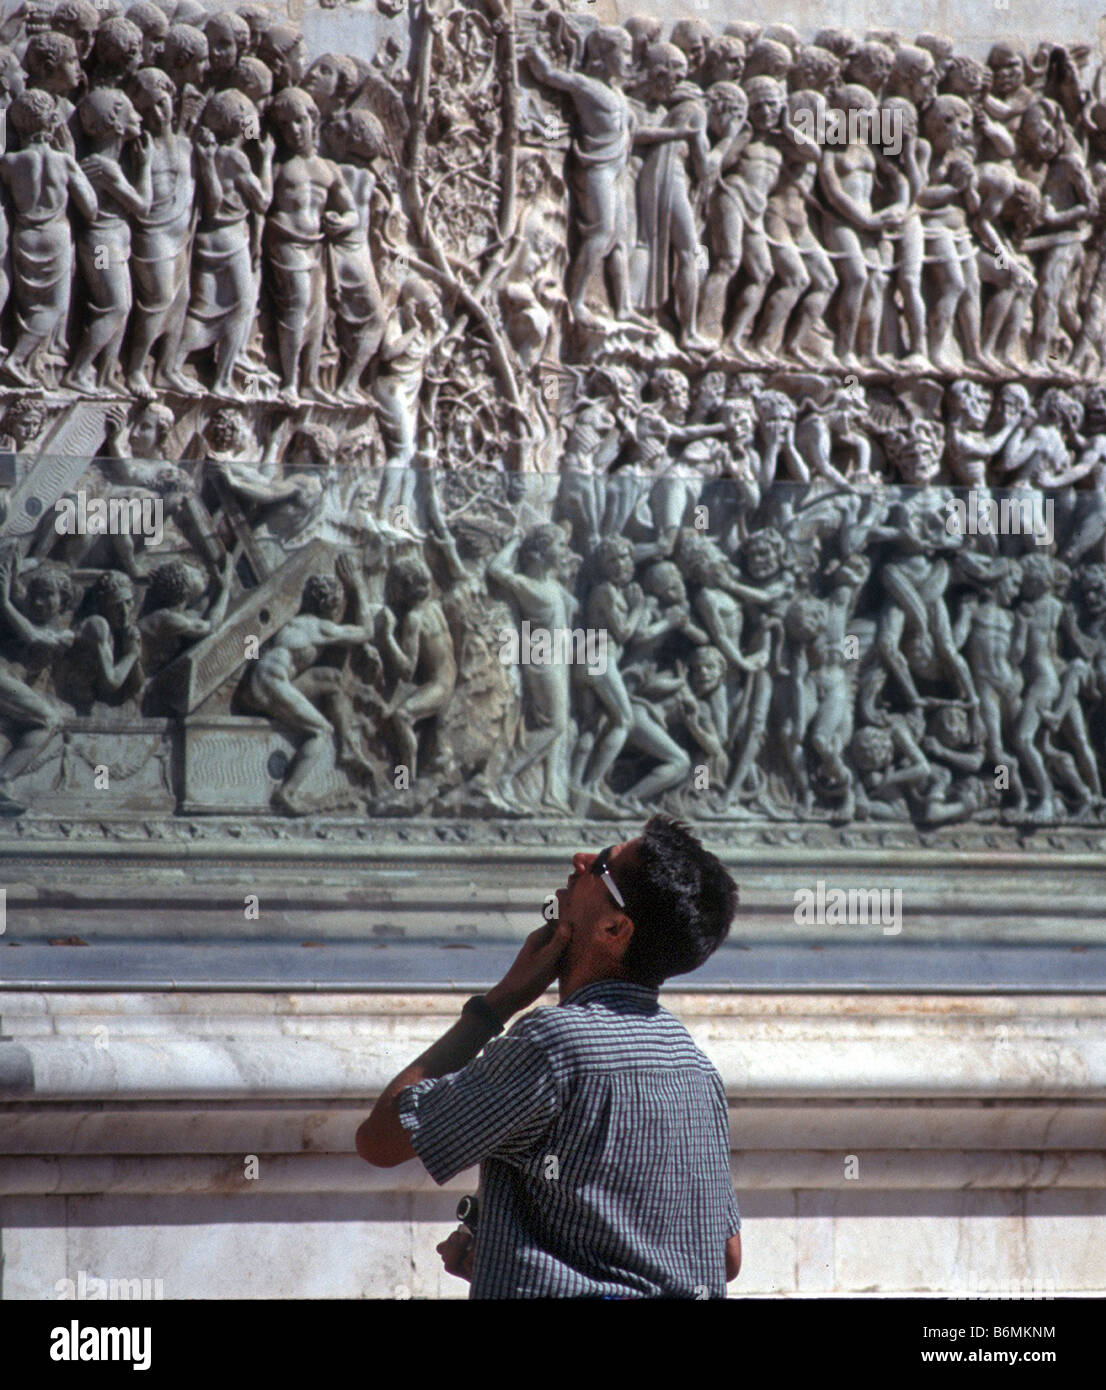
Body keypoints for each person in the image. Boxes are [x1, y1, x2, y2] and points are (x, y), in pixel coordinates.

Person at [357, 816, 743, 1299]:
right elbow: (726, 1256)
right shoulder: (693, 1064)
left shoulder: (553, 1045)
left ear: (614, 927)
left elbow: (381, 1140)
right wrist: (513, 1252)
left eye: (600, 864)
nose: (579, 861)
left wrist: (495, 1005)